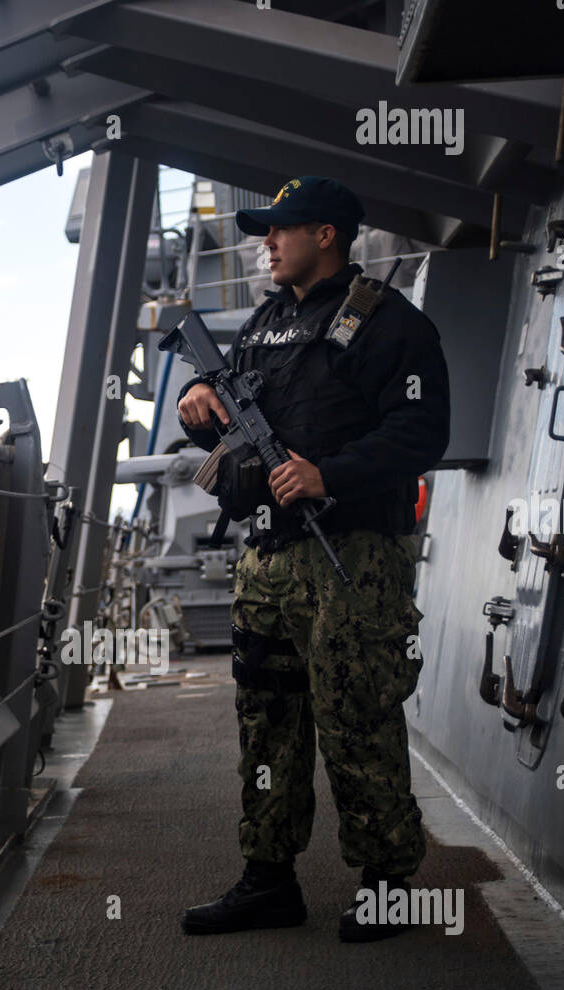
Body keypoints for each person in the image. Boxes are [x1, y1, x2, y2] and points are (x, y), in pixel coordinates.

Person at [176, 175, 450, 943]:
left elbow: (420, 433)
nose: (265, 243)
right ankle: (267, 878)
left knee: (356, 714)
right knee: (267, 718)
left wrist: (330, 473)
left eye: (280, 231)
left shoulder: (389, 324)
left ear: (325, 235)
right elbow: (237, 425)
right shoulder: (264, 321)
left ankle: (387, 881)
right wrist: (199, 401)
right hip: (267, 556)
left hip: (351, 555)